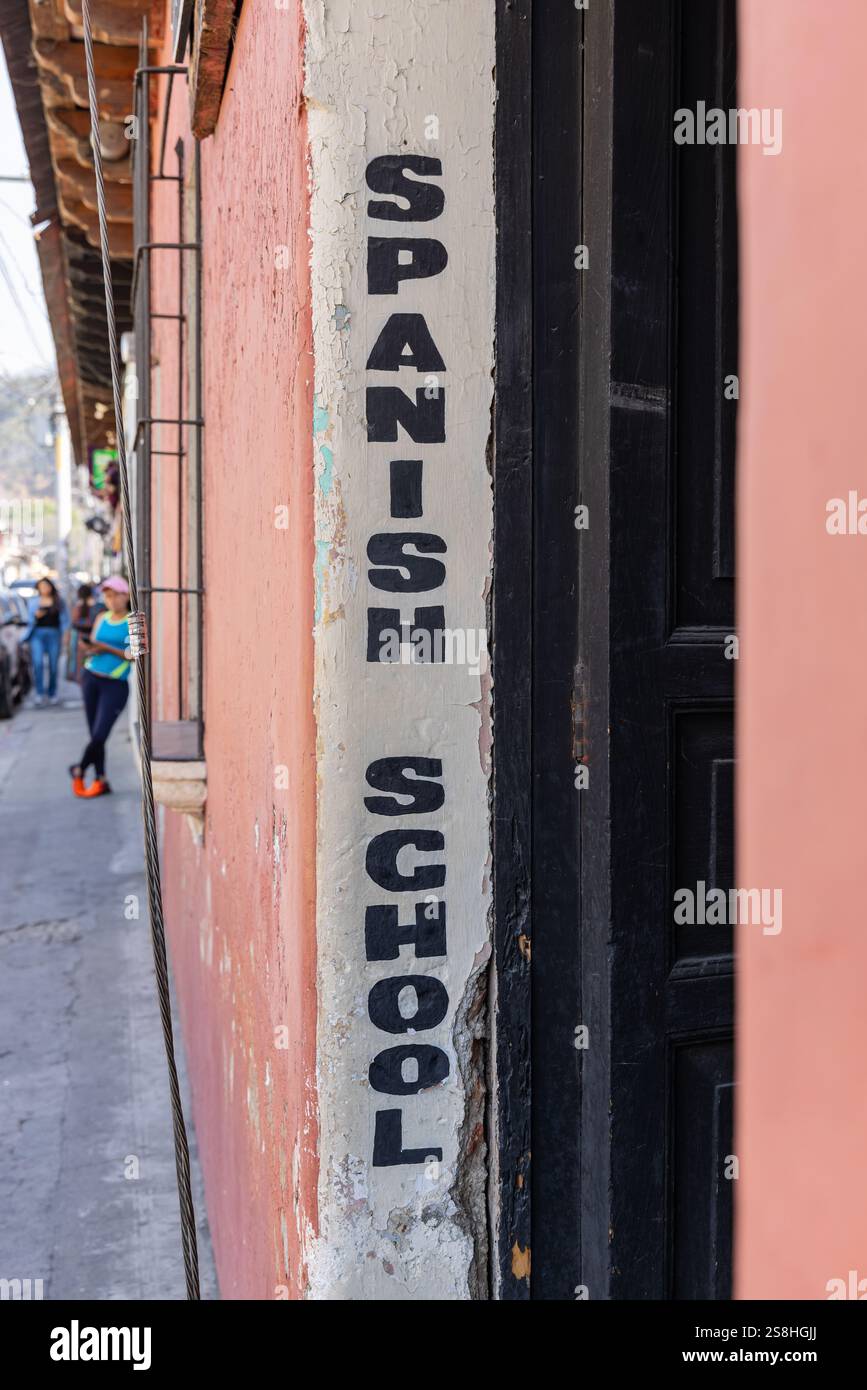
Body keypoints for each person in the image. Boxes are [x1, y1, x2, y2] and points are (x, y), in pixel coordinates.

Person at [69, 576, 132, 799]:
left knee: (99, 735)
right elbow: (92, 646)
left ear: (126, 595)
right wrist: (89, 648)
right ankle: (101, 778)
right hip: (91, 678)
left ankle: (80, 769)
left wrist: (105, 648)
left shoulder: (132, 621)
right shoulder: (102, 617)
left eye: (115, 595)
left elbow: (133, 656)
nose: (111, 600)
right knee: (95, 734)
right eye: (107, 596)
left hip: (114, 685)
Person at [23, 577, 70, 706]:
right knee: (37, 664)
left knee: (54, 665)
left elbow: (65, 620)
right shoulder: (33, 602)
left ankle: (52, 692)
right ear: (38, 588)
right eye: (42, 586)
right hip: (37, 634)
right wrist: (35, 616)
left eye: (47, 586)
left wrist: (66, 635)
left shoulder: (59, 601)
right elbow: (29, 620)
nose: (44, 589)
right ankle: (39, 692)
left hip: (54, 634)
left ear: (51, 587)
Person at [68, 583, 105, 682]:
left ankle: (81, 679)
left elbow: (73, 624)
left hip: (80, 638)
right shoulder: (99, 606)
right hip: (94, 636)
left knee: (79, 662)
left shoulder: (77, 607)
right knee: (93, 660)